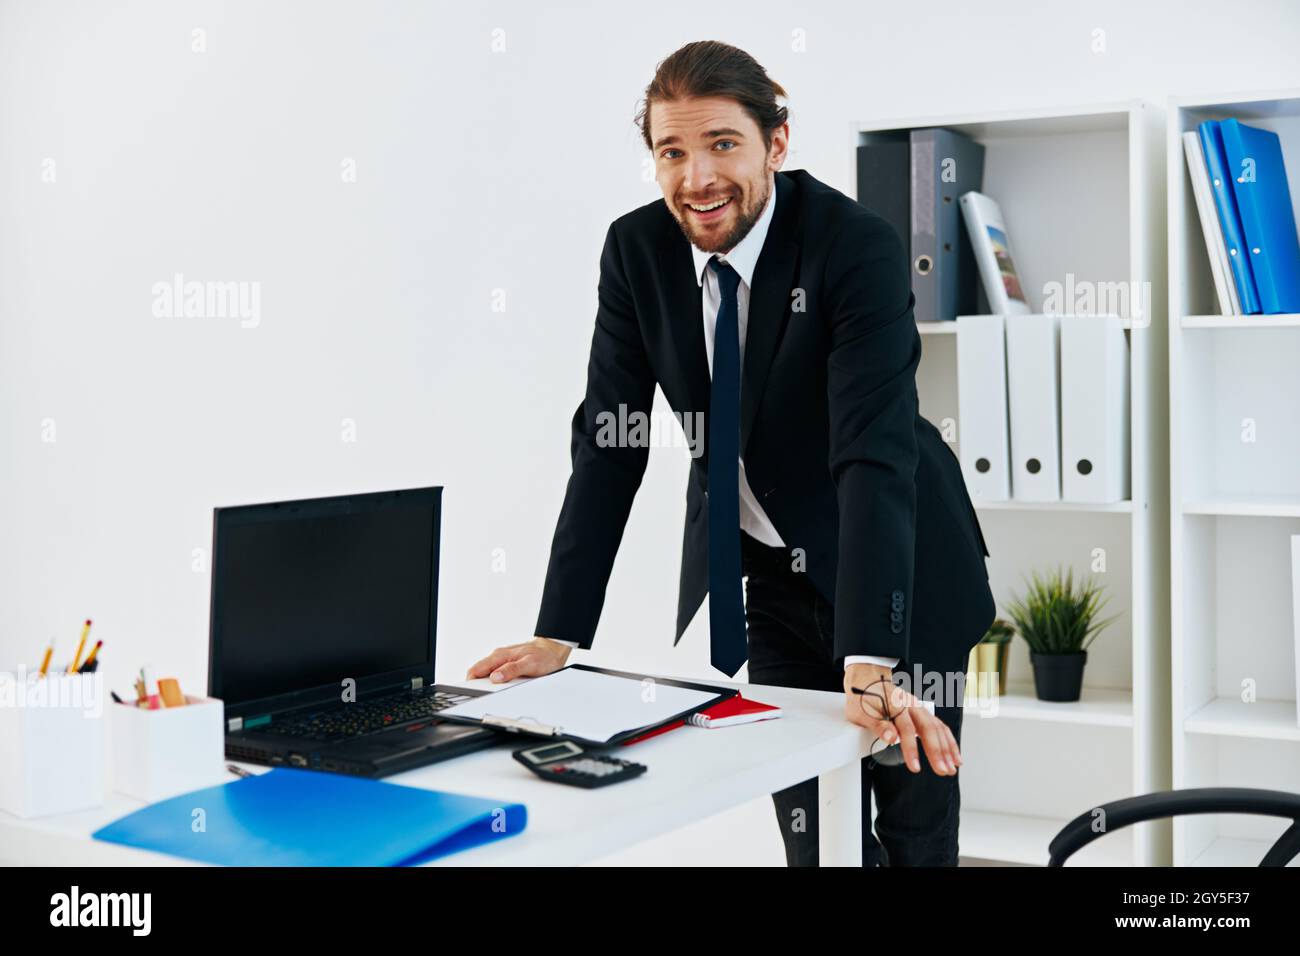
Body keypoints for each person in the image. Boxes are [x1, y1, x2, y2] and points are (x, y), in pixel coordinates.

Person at [470, 40, 995, 867]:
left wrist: (869, 657)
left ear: (775, 144)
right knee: (809, 824)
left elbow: (872, 452)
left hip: (903, 565)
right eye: (671, 152)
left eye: (721, 144)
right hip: (774, 579)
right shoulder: (637, 251)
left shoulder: (853, 245)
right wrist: (559, 633)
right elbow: (612, 442)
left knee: (912, 816)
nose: (696, 178)